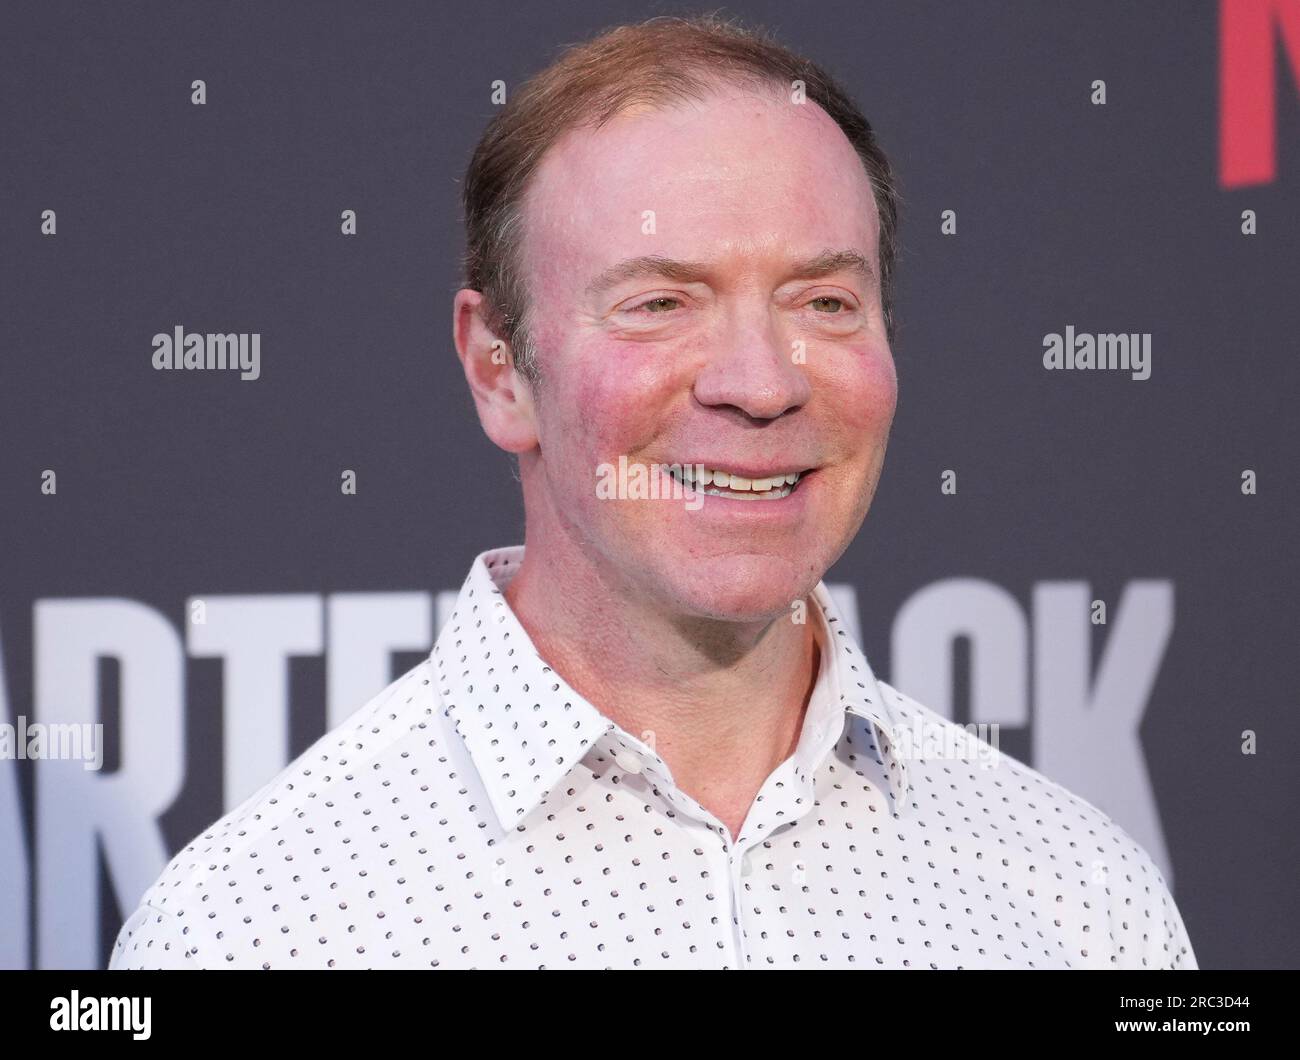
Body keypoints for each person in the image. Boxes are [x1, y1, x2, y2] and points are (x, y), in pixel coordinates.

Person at [109, 14, 1195, 970]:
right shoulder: (255, 929)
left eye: (823, 302)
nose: (761, 383)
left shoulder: (1082, 898)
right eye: (659, 303)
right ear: (498, 368)